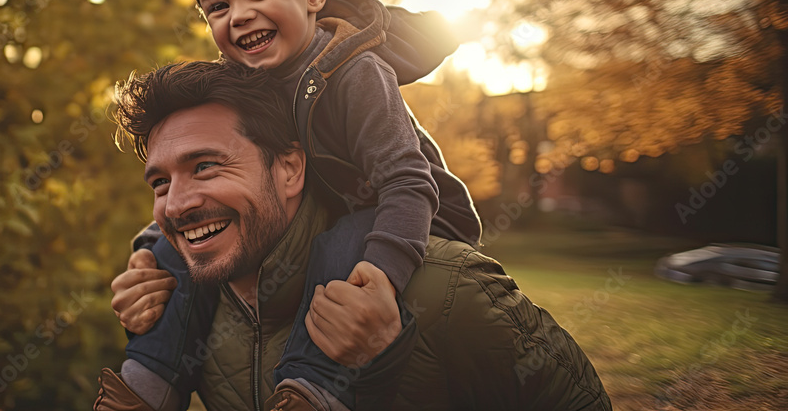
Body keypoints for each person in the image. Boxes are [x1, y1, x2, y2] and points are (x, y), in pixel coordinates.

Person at [114, 0, 483, 411]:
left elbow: (406, 179)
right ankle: (145, 387)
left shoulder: (354, 71)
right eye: (217, 6)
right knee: (177, 250)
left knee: (338, 242)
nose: (238, 15)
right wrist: (147, 253)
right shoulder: (246, 87)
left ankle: (313, 389)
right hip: (325, 215)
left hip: (409, 217)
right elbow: (204, 182)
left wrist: (381, 273)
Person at [95, 60, 612, 411]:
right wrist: (145, 253)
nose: (178, 203)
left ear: (290, 169)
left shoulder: (447, 288)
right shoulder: (182, 307)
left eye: (205, 166)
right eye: (160, 182)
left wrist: (388, 364)